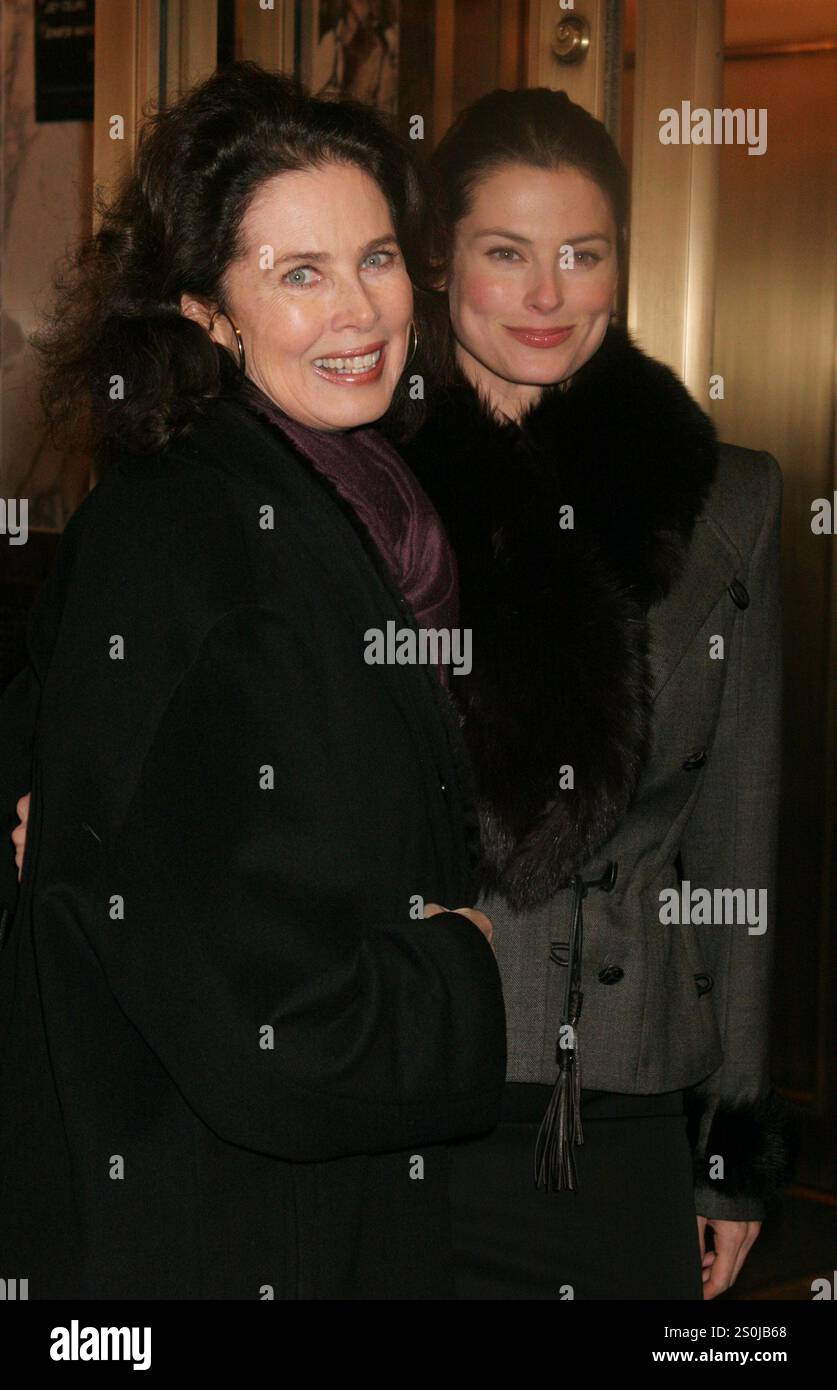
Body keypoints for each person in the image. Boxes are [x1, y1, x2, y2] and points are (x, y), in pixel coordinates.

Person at [0, 62, 506, 1300]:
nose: (360, 311)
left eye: (376, 257)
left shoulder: (358, 499)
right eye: (299, 274)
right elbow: (261, 1015)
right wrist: (472, 969)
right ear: (205, 315)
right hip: (220, 1227)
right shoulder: (195, 536)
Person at [397, 87, 794, 1300]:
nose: (548, 294)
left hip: (614, 1108)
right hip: (402, 1087)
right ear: (439, 263)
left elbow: (739, 830)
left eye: (583, 253)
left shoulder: (726, 503)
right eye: (506, 254)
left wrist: (731, 1150)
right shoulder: (368, 494)